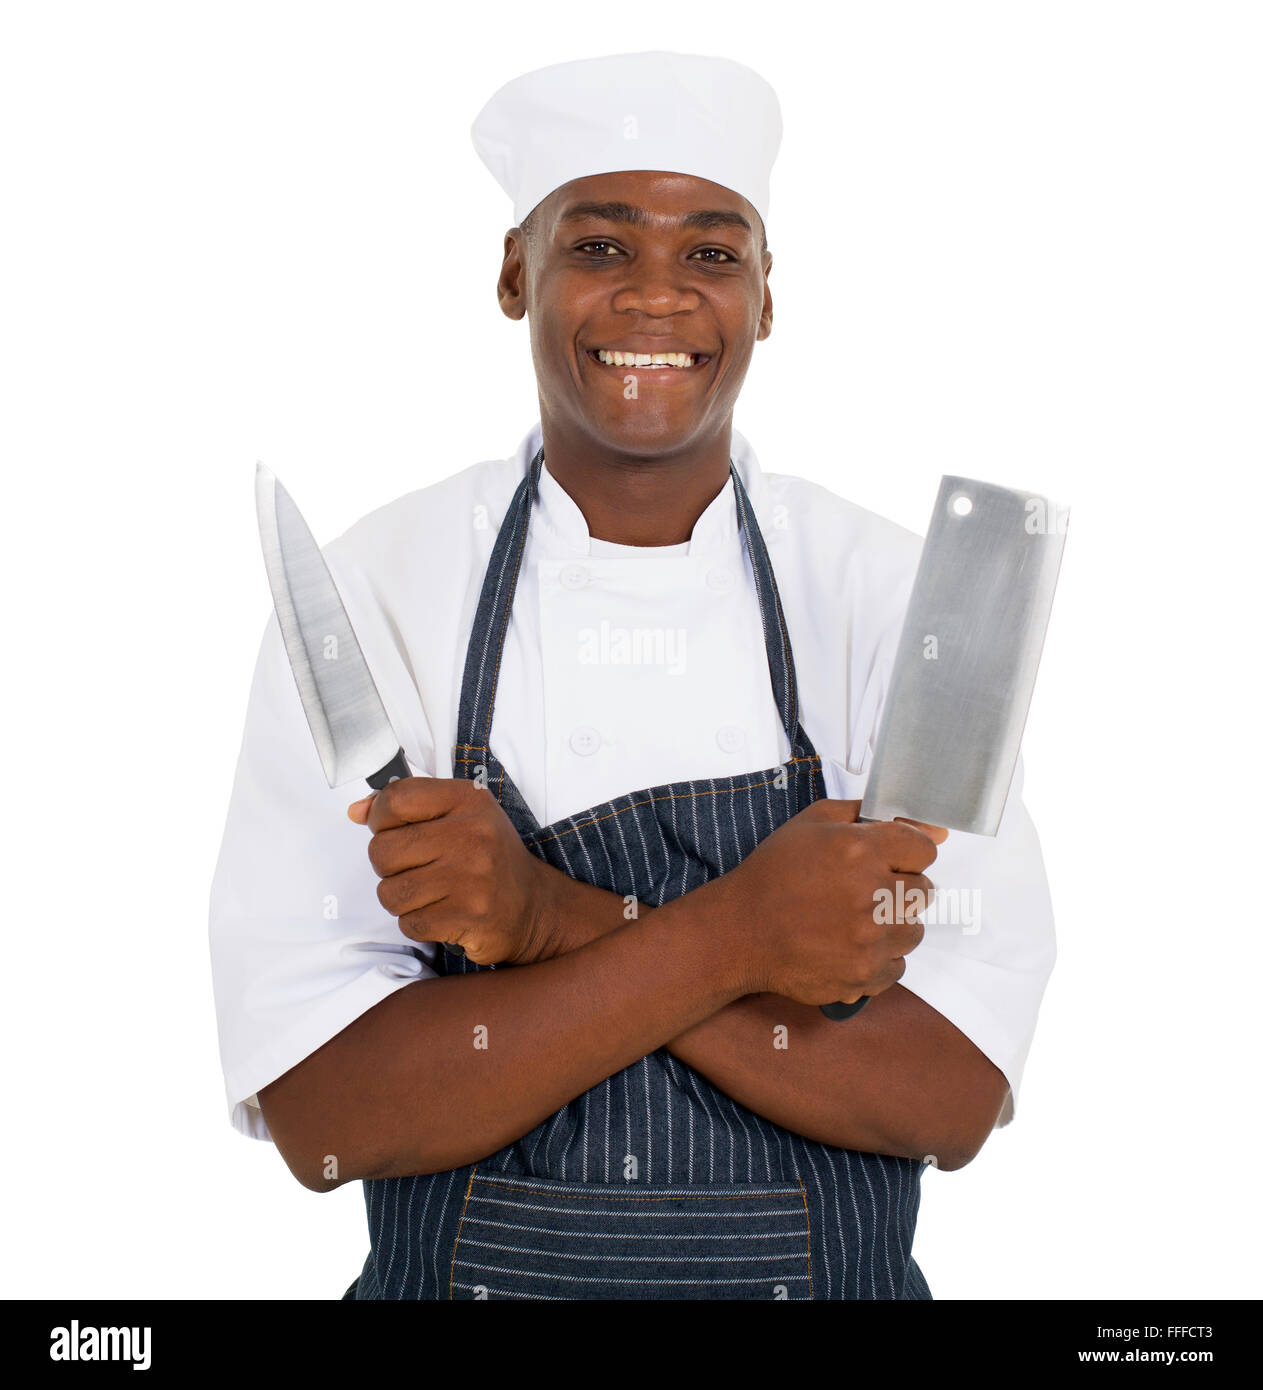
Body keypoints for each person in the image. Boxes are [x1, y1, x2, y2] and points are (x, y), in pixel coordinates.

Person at [209, 51, 1056, 1301]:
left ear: (768, 295)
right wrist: (747, 939)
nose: (657, 299)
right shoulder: (380, 591)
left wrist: (550, 921)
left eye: (713, 254)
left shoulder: (901, 599)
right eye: (601, 248)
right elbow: (327, 1110)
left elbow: (949, 1092)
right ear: (515, 275)